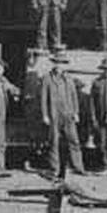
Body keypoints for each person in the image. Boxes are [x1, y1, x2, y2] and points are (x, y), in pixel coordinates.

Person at [40, 50, 83, 180]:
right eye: (57, 63)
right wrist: (45, 115)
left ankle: (78, 168)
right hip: (54, 115)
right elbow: (43, 98)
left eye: (62, 63)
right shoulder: (47, 78)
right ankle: (54, 169)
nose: (60, 65)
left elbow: (74, 96)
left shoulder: (69, 79)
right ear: (54, 64)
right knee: (54, 142)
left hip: (68, 114)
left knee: (74, 141)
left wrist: (76, 112)